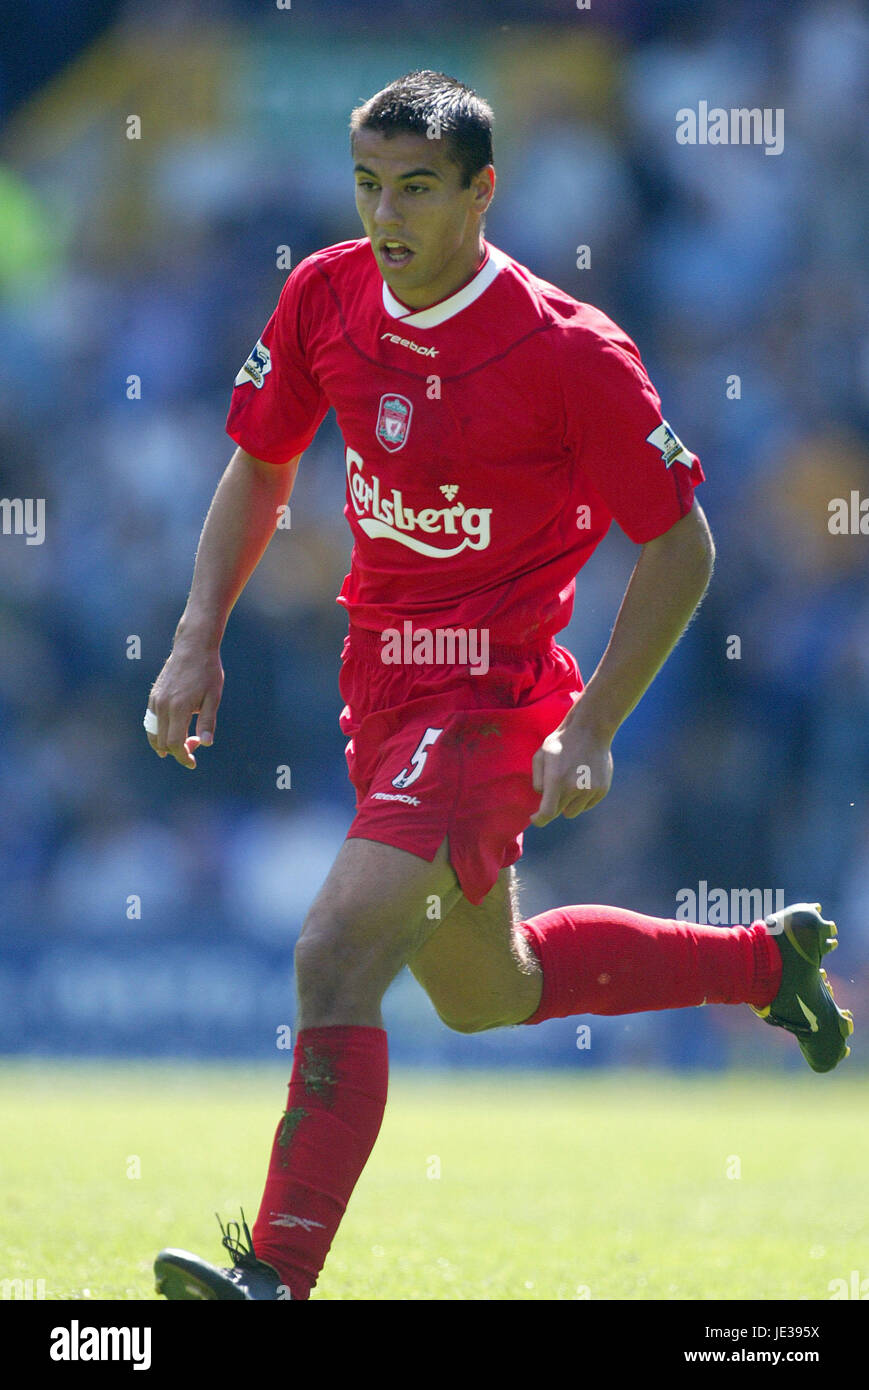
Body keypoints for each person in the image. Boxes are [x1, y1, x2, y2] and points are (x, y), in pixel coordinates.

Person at [146, 71, 853, 1302]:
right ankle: (759, 964)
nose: (385, 215)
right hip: (379, 687)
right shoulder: (324, 293)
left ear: (483, 191)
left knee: (332, 958)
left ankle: (275, 1275)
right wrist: (197, 632)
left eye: (416, 188)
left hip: (491, 697)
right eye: (368, 184)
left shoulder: (568, 352)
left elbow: (681, 545)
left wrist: (590, 726)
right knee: (490, 990)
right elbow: (259, 466)